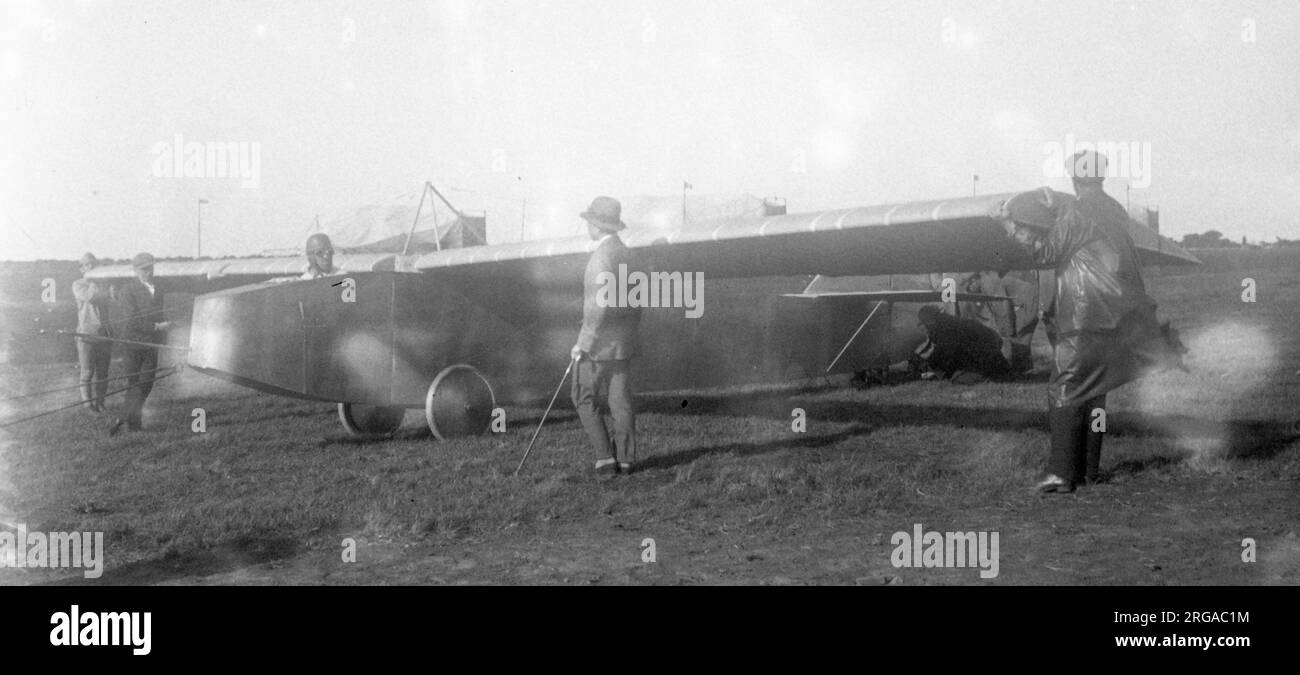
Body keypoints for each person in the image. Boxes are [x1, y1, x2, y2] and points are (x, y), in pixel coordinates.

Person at [996, 151, 1186, 493]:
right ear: (1101, 176)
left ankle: (1060, 473)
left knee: (1065, 389)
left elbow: (1046, 254)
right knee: (1095, 391)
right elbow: (1087, 234)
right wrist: (1058, 210)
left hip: (1085, 317)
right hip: (1118, 318)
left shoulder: (1076, 212)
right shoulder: (1114, 210)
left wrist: (1014, 227)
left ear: (1073, 179)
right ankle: (1087, 471)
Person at [569, 196, 642, 476]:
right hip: (624, 343)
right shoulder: (628, 254)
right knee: (620, 402)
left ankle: (604, 459)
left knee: (581, 395)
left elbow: (598, 306)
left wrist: (582, 344)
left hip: (598, 346)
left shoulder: (600, 258)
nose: (587, 225)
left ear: (597, 226)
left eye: (589, 221)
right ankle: (626, 460)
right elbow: (638, 300)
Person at [110, 252, 170, 434]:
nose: (148, 273)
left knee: (146, 383)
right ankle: (133, 425)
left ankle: (125, 419)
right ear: (135, 271)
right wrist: (157, 327)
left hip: (152, 344)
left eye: (150, 268)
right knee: (135, 384)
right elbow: (131, 320)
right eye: (144, 270)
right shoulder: (127, 290)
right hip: (132, 345)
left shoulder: (158, 287)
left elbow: (185, 283)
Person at [913, 304, 1010, 383]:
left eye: (924, 323)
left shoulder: (944, 331)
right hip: (998, 355)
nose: (924, 327)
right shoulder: (951, 321)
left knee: (956, 379)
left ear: (930, 321)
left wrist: (933, 363)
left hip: (986, 364)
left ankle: (986, 378)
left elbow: (950, 359)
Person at [72, 253, 113, 412]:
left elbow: (114, 297)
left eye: (93, 264)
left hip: (105, 333)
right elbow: (90, 297)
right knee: (87, 372)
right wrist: (96, 281)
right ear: (81, 268)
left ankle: (100, 403)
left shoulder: (103, 284)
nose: (91, 267)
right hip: (86, 335)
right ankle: (88, 405)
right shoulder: (78, 284)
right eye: (87, 265)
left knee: (103, 372)